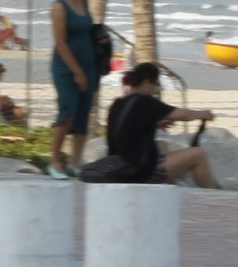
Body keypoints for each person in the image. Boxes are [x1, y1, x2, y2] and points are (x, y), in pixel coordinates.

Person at [83, 60, 216, 188]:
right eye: (155, 84)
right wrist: (203, 114)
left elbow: (128, 126)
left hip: (119, 164)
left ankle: (169, 190)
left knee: (162, 145)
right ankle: (213, 195)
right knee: (198, 154)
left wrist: (156, 124)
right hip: (140, 171)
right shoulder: (146, 102)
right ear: (147, 82)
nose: (155, 89)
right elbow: (183, 115)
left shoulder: (118, 104)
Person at [45, 0, 113, 177]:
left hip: (90, 64)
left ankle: (75, 162)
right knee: (68, 111)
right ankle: (55, 161)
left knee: (83, 113)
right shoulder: (60, 6)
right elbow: (61, 43)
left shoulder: (84, 1)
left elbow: (87, 29)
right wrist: (76, 71)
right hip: (66, 68)